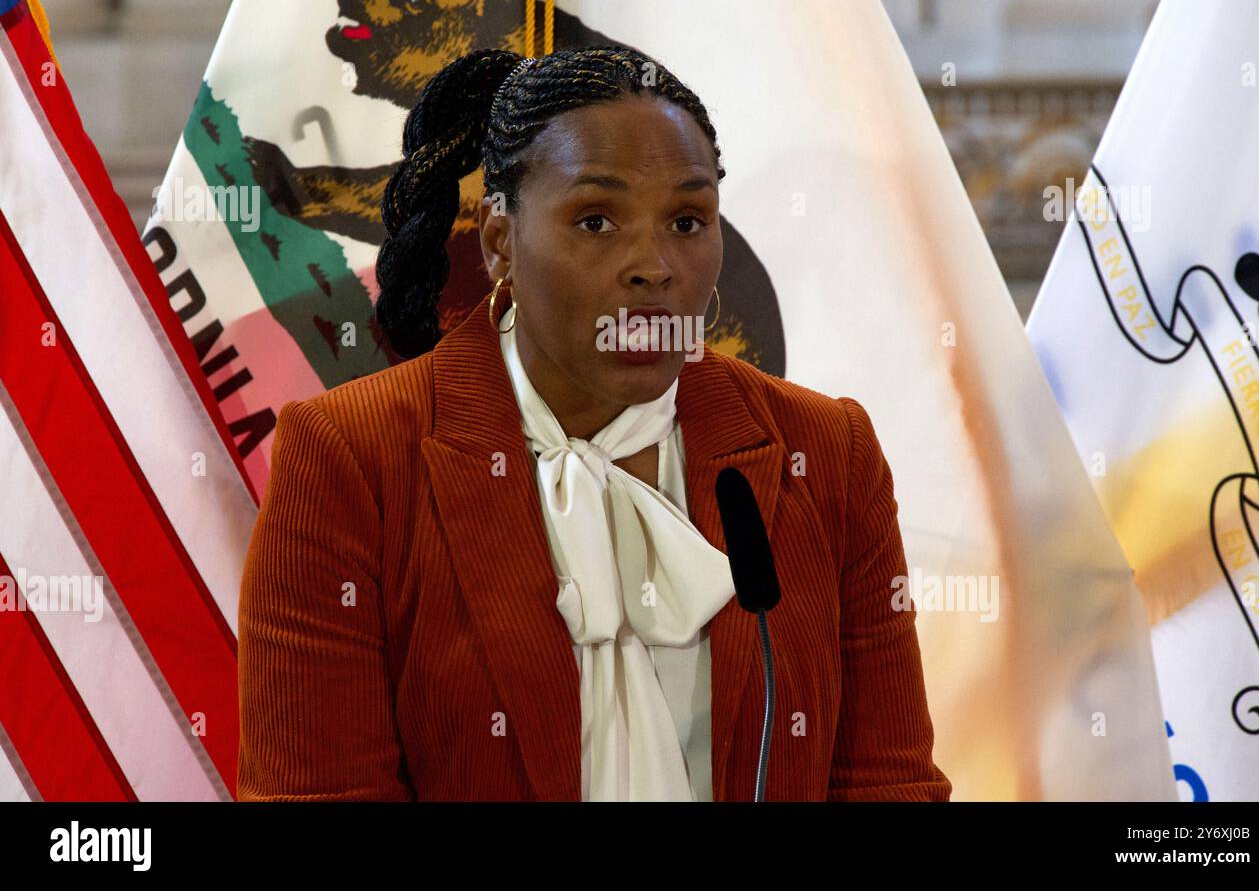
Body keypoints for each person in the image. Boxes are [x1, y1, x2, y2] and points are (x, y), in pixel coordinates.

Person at [236, 45, 951, 802]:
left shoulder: (825, 453)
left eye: (686, 219)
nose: (654, 265)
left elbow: (887, 783)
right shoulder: (351, 459)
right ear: (500, 240)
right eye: (597, 219)